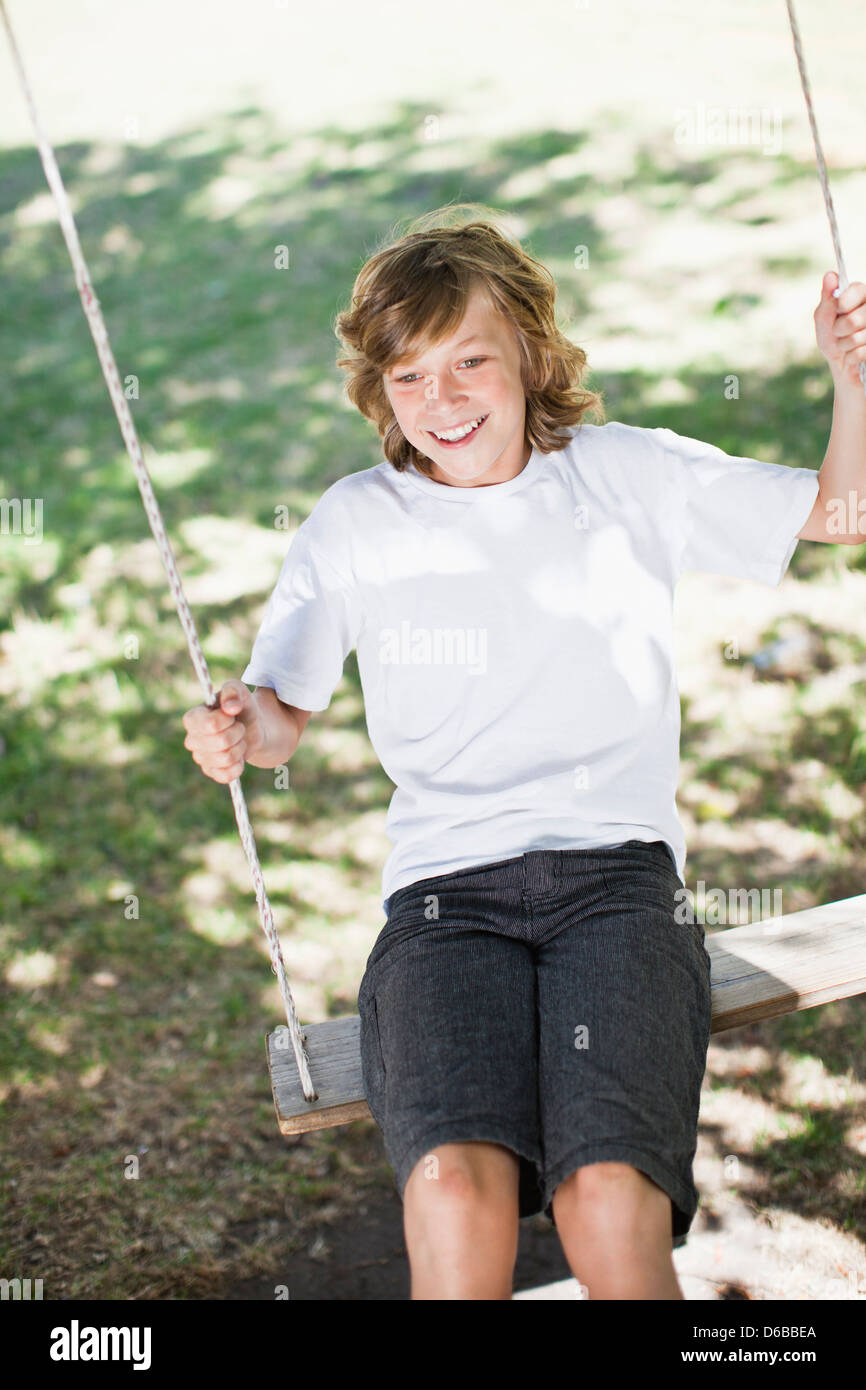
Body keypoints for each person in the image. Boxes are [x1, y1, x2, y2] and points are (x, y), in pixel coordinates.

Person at [182, 204, 866, 1299]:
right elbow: (277, 720)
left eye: (468, 362)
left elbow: (845, 509)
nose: (440, 401)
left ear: (532, 357)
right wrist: (231, 727)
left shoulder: (625, 475)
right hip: (445, 901)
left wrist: (851, 380)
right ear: (378, 391)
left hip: (617, 889)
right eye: (408, 376)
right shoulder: (355, 523)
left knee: (605, 1198)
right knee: (454, 1188)